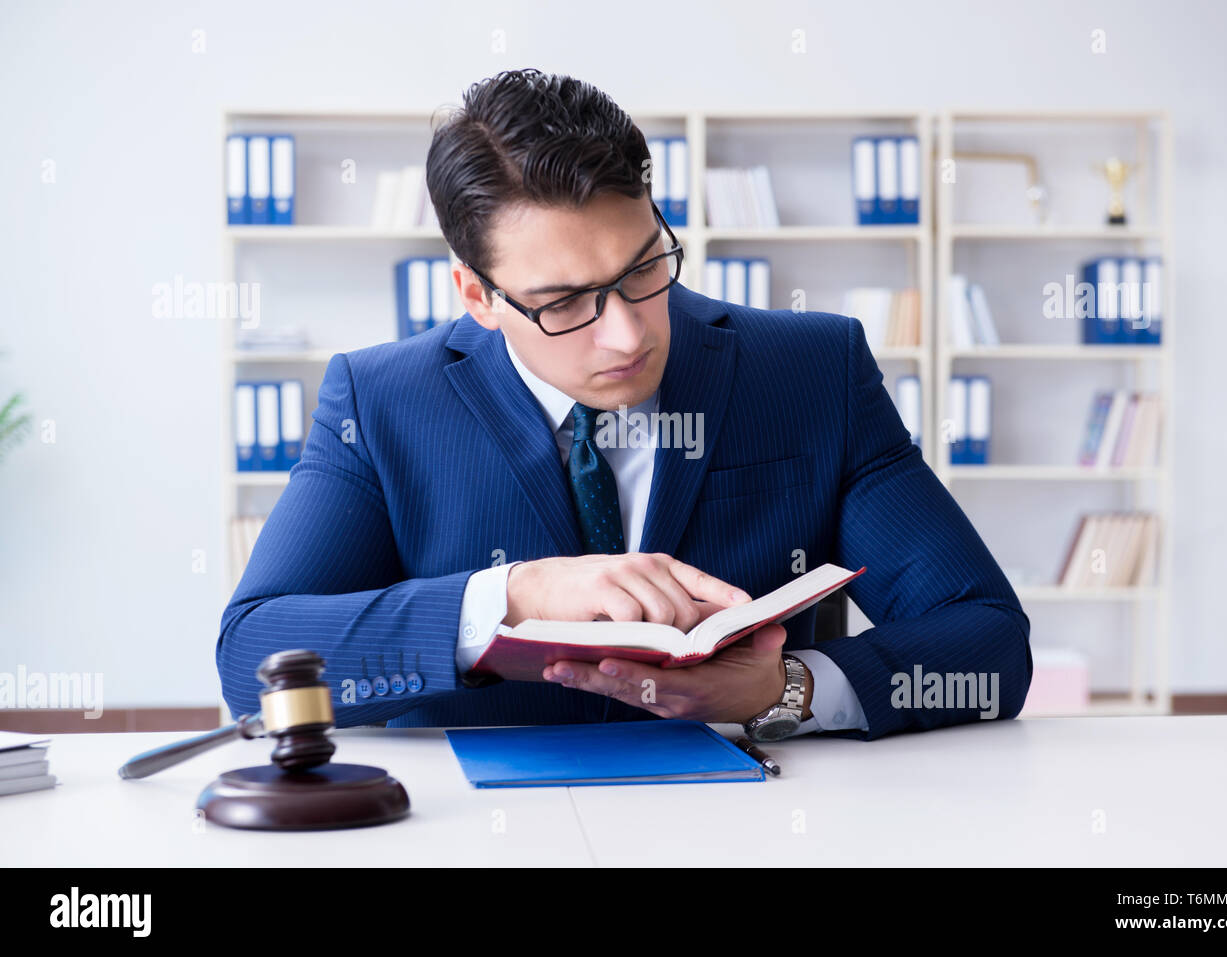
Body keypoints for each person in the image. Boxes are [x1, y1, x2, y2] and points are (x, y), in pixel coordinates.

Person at [216, 68, 1031, 742]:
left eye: (644, 266)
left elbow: (989, 641)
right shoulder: (383, 401)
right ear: (477, 294)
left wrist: (786, 688)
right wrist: (515, 596)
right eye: (565, 301)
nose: (628, 334)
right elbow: (254, 656)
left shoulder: (811, 370)